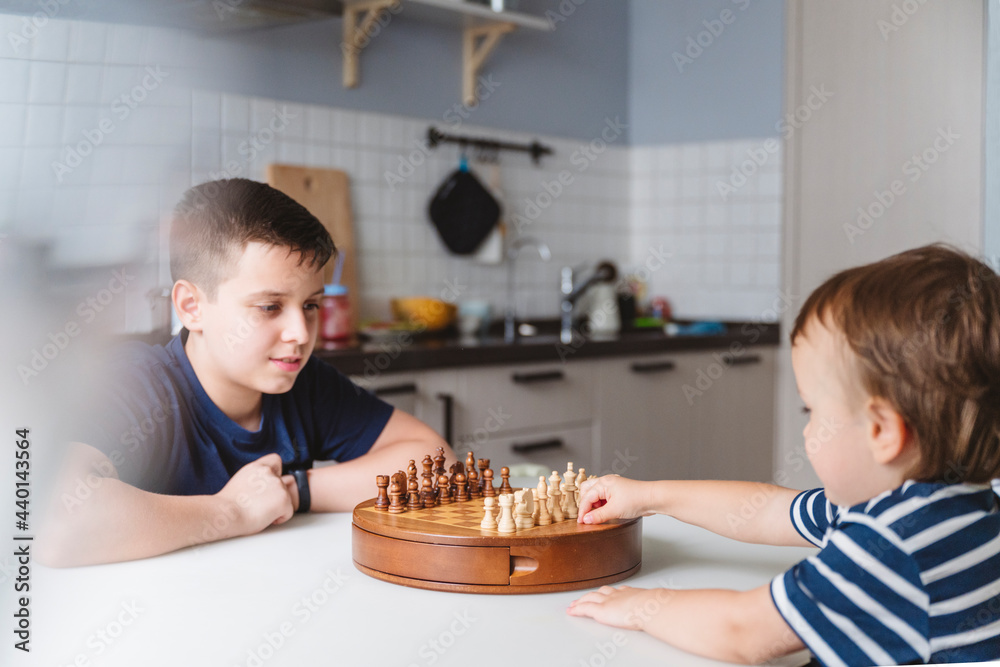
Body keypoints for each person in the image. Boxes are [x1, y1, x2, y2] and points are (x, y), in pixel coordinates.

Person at [568, 244, 1000, 665]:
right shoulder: (951, 507)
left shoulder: (891, 545)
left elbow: (744, 633)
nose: (808, 429)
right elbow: (767, 510)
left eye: (811, 410)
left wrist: (644, 608)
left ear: (881, 431)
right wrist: (648, 496)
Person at [41, 179, 453, 566]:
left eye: (311, 305)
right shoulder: (136, 383)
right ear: (191, 307)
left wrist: (295, 490)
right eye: (270, 307)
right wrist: (232, 510)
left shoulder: (304, 383)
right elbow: (49, 520)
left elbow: (438, 464)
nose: (300, 334)